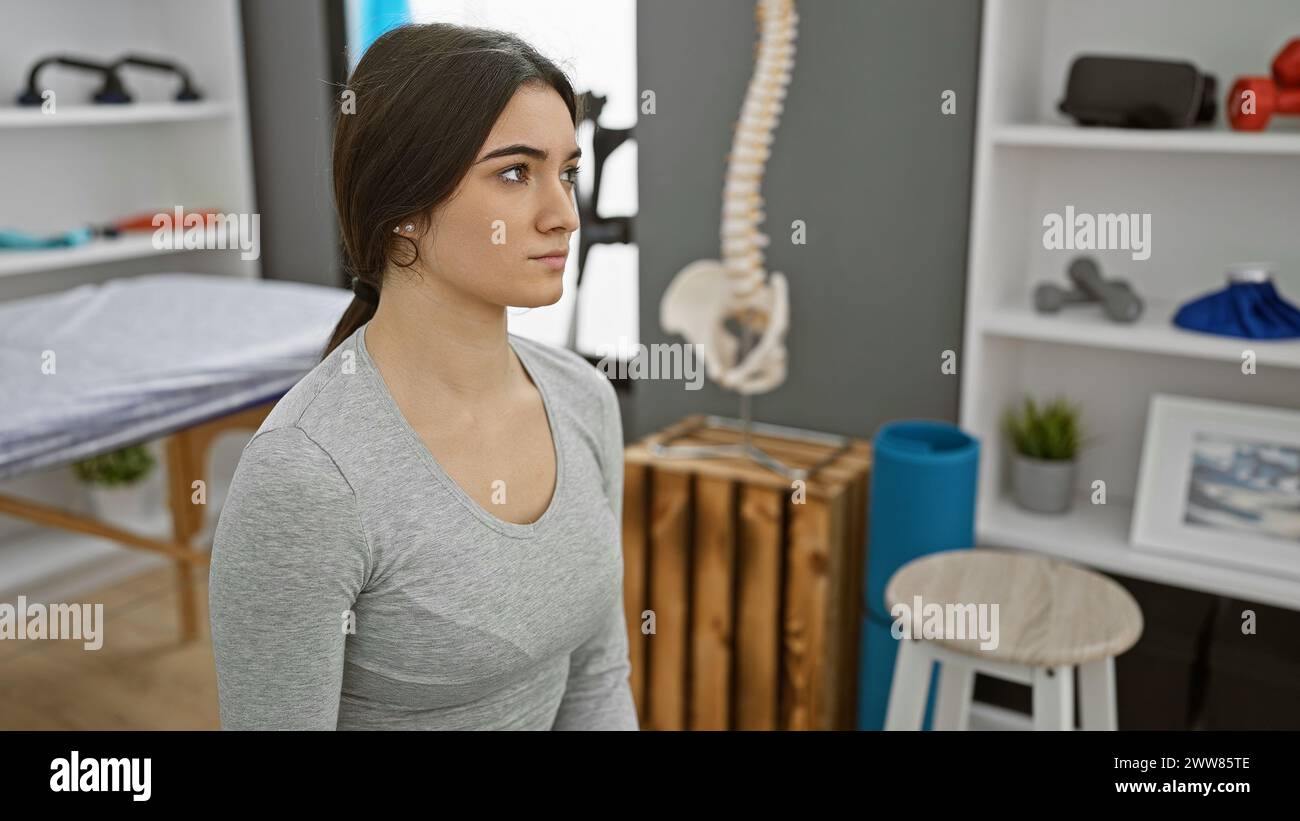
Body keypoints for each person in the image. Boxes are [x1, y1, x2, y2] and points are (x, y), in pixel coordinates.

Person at [208, 22, 638, 730]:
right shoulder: (307, 478)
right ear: (405, 207)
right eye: (514, 173)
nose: (564, 215)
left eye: (567, 171)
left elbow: (597, 682)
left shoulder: (585, 401)